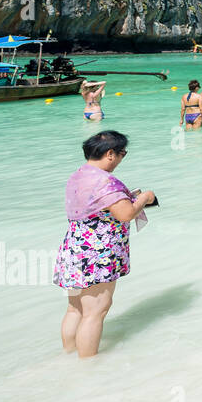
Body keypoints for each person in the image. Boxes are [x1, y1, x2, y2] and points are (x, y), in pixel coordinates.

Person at [54, 131, 155, 358]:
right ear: (110, 154)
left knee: (75, 308)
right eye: (122, 154)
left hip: (74, 249)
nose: (121, 159)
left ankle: (68, 356)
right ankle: (87, 368)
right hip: (96, 255)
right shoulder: (105, 181)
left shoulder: (77, 175)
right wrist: (146, 197)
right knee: (96, 311)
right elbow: (126, 214)